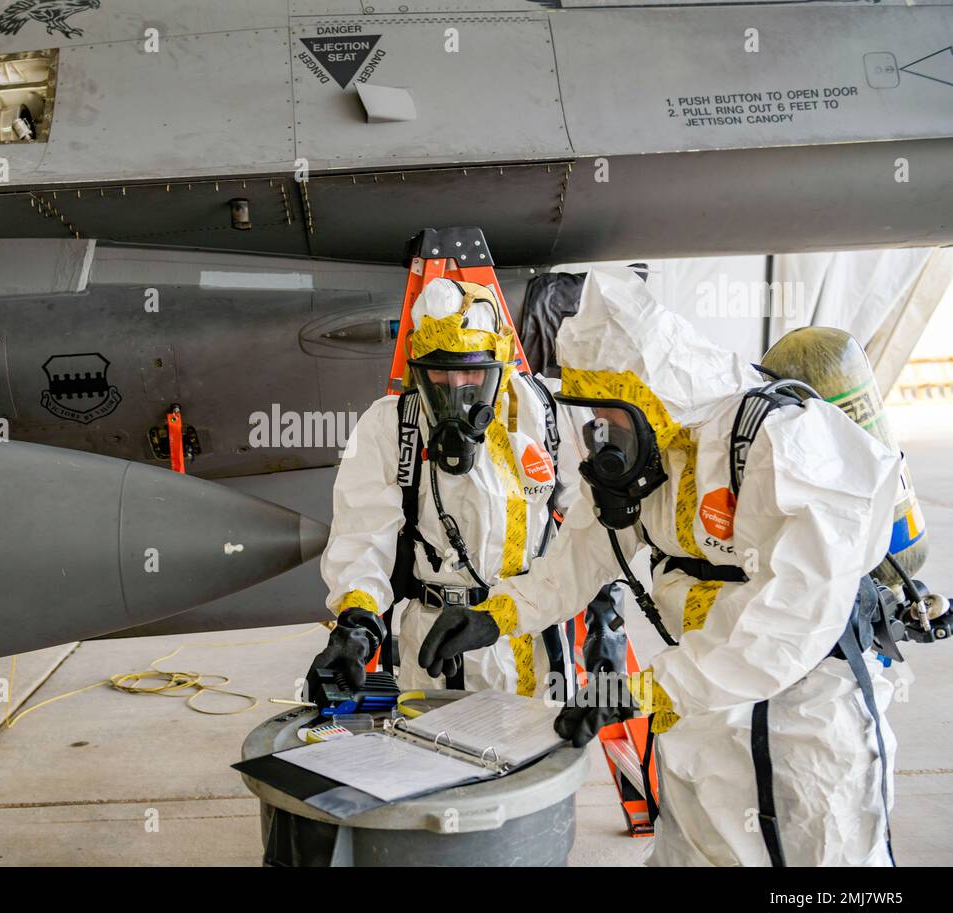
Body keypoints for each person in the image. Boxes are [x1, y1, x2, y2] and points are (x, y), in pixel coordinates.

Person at [417, 267, 903, 866]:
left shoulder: (780, 441)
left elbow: (789, 624)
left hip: (806, 722)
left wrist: (642, 691)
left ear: (652, 396)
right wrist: (498, 616)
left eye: (609, 416)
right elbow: (582, 558)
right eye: (591, 416)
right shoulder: (649, 455)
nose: (599, 435)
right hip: (699, 713)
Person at [309, 277, 573, 698]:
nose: (456, 389)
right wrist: (357, 623)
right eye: (440, 373)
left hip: (532, 638)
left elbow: (589, 531)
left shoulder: (544, 414)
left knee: (538, 759)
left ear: (497, 362)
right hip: (434, 644)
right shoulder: (391, 425)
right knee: (438, 755)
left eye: (470, 371)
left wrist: (604, 628)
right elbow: (362, 532)